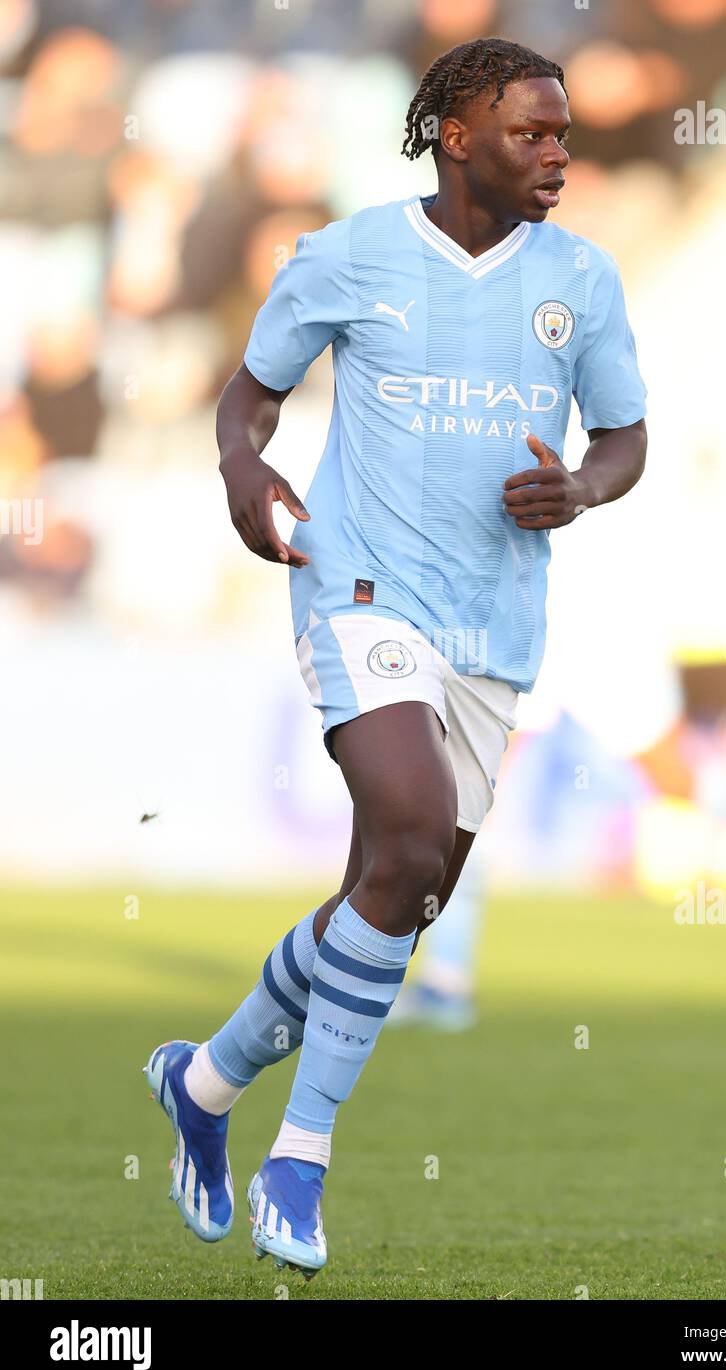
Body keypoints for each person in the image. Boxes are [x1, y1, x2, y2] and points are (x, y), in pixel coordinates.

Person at [144, 36, 647, 1279]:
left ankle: (203, 1084)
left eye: (562, 133)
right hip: (356, 585)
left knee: (396, 894)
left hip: (495, 623)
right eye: (531, 133)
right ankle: (298, 1161)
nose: (556, 153)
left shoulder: (578, 280)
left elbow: (626, 435)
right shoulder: (346, 256)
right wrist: (242, 470)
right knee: (413, 832)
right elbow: (244, 398)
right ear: (457, 134)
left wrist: (578, 487)